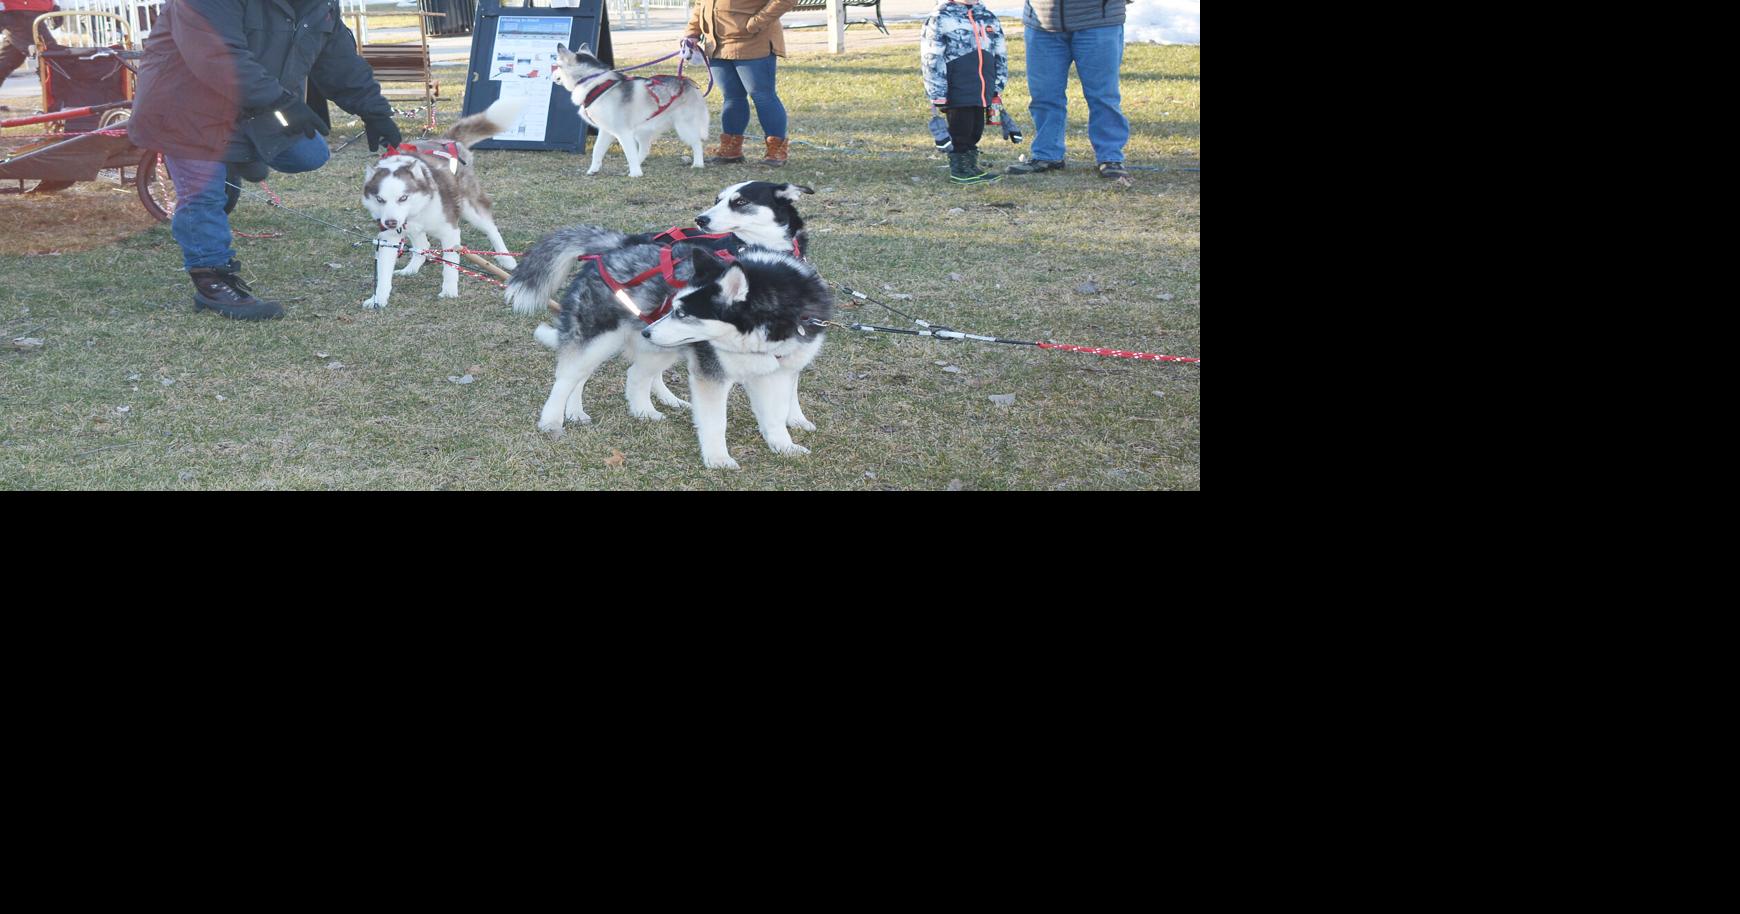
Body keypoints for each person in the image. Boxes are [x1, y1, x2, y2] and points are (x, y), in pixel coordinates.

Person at [127, 0, 402, 321]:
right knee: (203, 195)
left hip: (250, 103)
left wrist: (374, 110)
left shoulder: (320, 4)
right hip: (185, 105)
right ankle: (212, 280)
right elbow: (218, 58)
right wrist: (281, 102)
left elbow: (338, 60)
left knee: (310, 152)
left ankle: (231, 158)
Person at [1007, 0, 1130, 180]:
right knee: (1044, 96)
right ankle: (1047, 155)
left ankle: (1110, 157)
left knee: (1103, 96)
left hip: (1099, 22)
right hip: (1042, 23)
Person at [683, 0, 795, 168]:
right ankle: (731, 150)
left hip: (753, 42)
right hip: (717, 45)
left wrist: (755, 23)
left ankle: (776, 151)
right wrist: (692, 33)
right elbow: (701, 4)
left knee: (763, 96)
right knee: (732, 97)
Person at [921, 0, 1008, 185]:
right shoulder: (940, 18)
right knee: (961, 128)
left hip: (982, 86)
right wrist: (937, 90)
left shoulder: (987, 17)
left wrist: (998, 84)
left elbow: (1000, 51)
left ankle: (971, 164)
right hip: (956, 86)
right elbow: (931, 56)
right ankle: (959, 167)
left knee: (976, 128)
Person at [0, 0, 57, 89]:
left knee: (8, 60)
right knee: (50, 58)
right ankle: (60, 98)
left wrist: (53, 5)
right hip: (19, 13)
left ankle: (59, 97)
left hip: (27, 11)